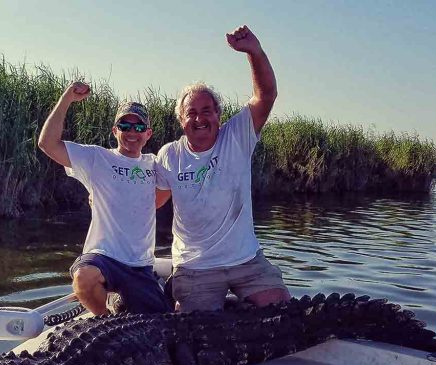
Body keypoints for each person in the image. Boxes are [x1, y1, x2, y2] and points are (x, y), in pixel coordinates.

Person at [155, 26, 291, 313]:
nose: (200, 118)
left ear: (219, 115)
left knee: (280, 310)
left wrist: (254, 52)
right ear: (181, 120)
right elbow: (152, 201)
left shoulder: (237, 136)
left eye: (207, 111)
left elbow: (266, 95)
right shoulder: (170, 155)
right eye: (191, 113)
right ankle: (181, 296)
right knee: (194, 331)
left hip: (246, 261)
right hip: (195, 266)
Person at [38, 81, 171, 315]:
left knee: (161, 323)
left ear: (148, 134)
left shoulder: (156, 165)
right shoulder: (97, 159)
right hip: (104, 257)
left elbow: (160, 199)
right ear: (115, 130)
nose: (132, 133)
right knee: (83, 278)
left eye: (139, 128)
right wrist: (66, 98)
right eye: (125, 125)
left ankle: (123, 299)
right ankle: (104, 318)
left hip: (140, 265)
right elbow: (47, 143)